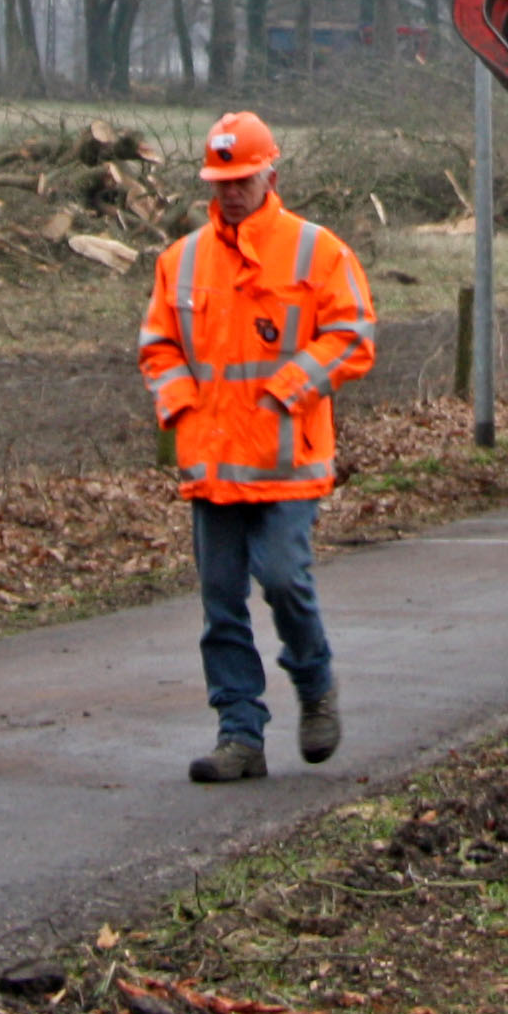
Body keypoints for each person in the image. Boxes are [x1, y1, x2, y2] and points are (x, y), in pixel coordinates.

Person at [140, 110, 375, 783]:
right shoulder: (179, 260)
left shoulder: (316, 251)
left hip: (286, 460)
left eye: (242, 178)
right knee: (220, 604)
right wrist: (179, 400)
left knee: (282, 580)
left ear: (272, 173)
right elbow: (157, 345)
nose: (231, 191)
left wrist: (293, 383)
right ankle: (239, 736)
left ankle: (315, 683)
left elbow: (354, 333)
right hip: (212, 464)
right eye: (220, 181)